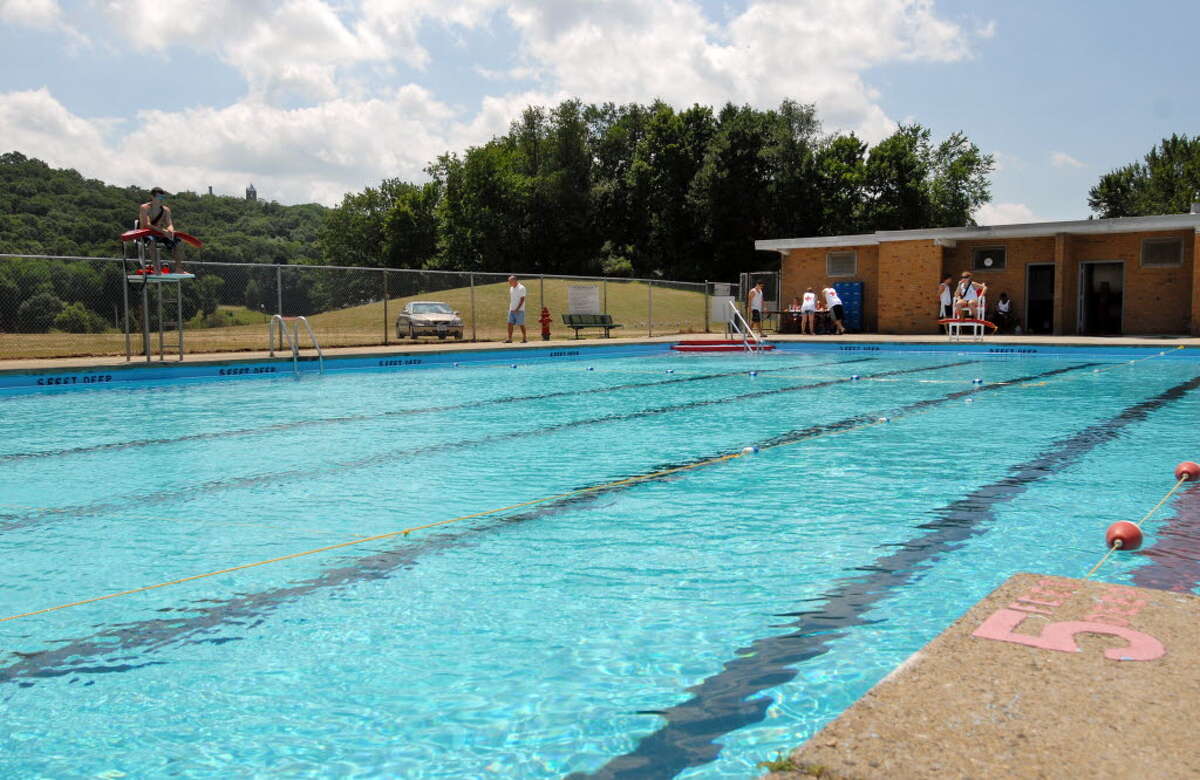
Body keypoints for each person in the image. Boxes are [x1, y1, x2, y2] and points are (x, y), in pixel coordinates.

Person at [138, 187, 187, 271]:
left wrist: (170, 230)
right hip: (146, 233)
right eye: (159, 197)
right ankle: (156, 268)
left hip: (159, 234)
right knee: (152, 242)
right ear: (152, 197)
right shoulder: (145, 208)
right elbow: (147, 225)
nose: (161, 199)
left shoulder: (166, 210)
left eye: (162, 197)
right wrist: (163, 231)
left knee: (178, 242)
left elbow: (169, 224)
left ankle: (178, 268)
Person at [504, 275, 527, 342]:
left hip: (520, 310)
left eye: (510, 281)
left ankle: (524, 338)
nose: (509, 283)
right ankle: (509, 339)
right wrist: (511, 308)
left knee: (521, 324)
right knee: (509, 323)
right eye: (509, 281)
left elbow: (522, 299)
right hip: (511, 309)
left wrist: (517, 309)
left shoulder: (521, 288)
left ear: (515, 280)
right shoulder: (511, 288)